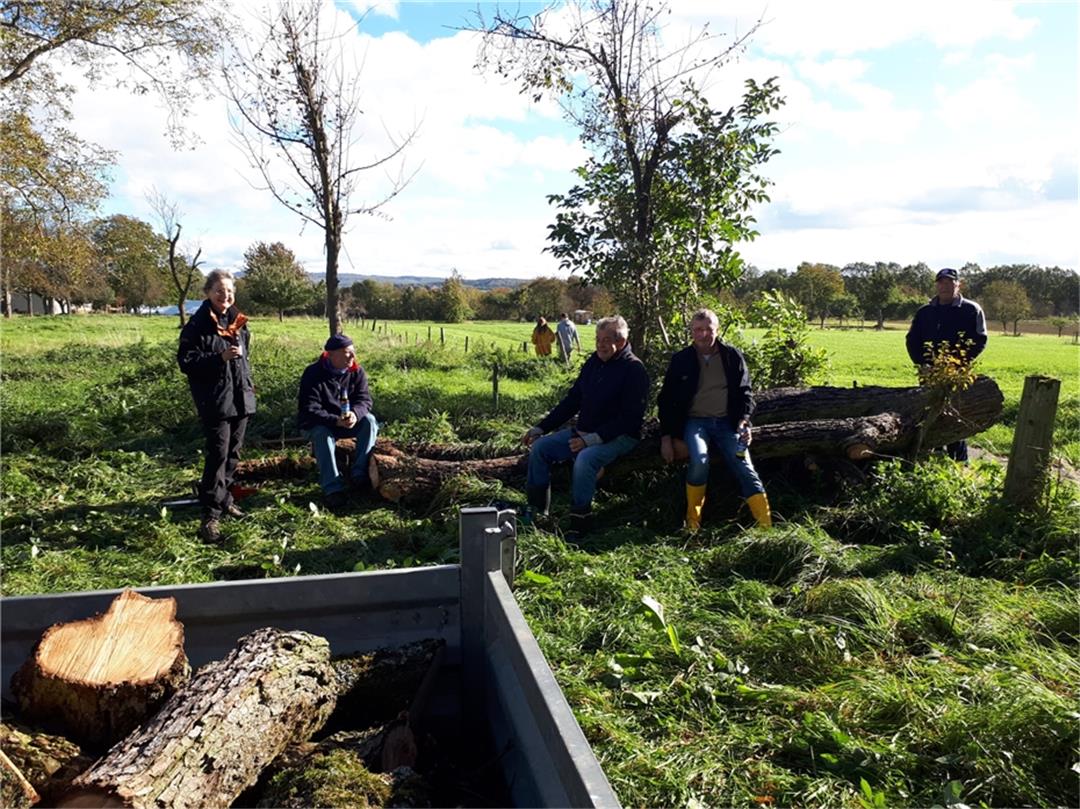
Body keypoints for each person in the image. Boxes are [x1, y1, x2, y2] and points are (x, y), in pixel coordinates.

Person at [522, 316, 649, 537]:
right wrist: (541, 428)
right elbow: (573, 400)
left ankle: (580, 524)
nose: (600, 344)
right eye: (597, 339)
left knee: (586, 459)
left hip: (621, 436)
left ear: (621, 342)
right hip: (584, 433)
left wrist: (589, 441)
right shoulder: (594, 362)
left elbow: (630, 419)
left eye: (606, 340)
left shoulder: (634, 370)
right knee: (540, 448)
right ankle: (538, 512)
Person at [657, 308, 772, 531]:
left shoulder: (732, 356)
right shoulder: (681, 359)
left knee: (745, 467)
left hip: (726, 423)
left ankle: (767, 529)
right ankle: (692, 525)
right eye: (697, 330)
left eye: (708, 329)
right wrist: (666, 436)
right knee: (700, 461)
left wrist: (744, 420)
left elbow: (745, 393)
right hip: (695, 422)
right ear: (691, 331)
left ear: (717, 330)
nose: (703, 334)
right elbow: (666, 400)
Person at [178, 269, 256, 543]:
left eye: (230, 291)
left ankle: (225, 500)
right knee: (217, 455)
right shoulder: (198, 325)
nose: (226, 295)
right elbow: (186, 363)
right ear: (208, 293)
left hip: (240, 397)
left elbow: (245, 360)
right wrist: (219, 357)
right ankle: (210, 516)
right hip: (215, 400)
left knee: (233, 453)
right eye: (220, 290)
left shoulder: (238, 321)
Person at [905, 267, 988, 461]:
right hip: (929, 374)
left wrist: (958, 365)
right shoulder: (925, 312)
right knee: (929, 417)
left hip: (957, 375)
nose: (945, 286)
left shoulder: (971, 310)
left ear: (958, 285)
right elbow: (912, 340)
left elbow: (979, 340)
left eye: (950, 282)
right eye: (941, 282)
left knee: (954, 417)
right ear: (936, 285)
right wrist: (922, 364)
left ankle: (959, 463)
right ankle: (930, 460)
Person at [298, 333, 379, 508]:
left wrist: (355, 415)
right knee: (321, 434)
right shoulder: (313, 373)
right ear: (331, 354)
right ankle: (332, 488)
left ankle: (359, 474)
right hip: (319, 423)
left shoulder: (356, 372)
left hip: (346, 422)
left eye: (353, 351)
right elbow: (309, 409)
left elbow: (365, 400)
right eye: (346, 352)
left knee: (370, 422)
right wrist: (335, 420)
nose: (351, 356)